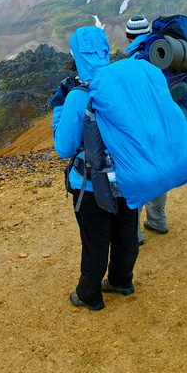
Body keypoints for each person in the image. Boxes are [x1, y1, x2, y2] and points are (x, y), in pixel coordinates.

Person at [52, 26, 140, 311]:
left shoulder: (77, 97)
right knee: (126, 231)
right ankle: (121, 280)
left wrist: (59, 114)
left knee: (95, 240)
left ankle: (89, 293)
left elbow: (64, 148)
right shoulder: (124, 83)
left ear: (76, 56)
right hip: (126, 177)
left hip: (91, 185)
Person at [124, 15, 170, 241]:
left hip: (141, 127)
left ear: (128, 36)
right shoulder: (161, 53)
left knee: (139, 174)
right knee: (160, 170)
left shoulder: (131, 62)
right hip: (163, 123)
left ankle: (136, 232)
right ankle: (158, 220)